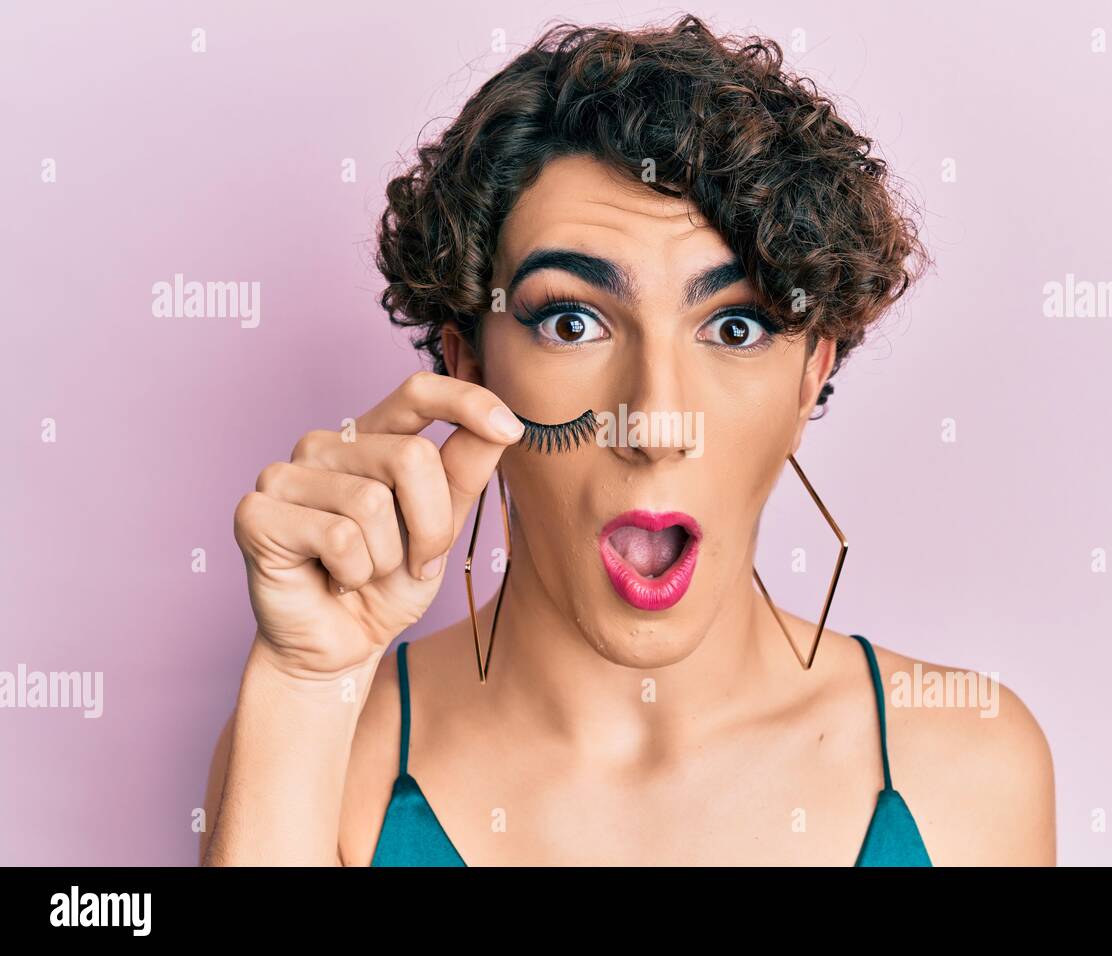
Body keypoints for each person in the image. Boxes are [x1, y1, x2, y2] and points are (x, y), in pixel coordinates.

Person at [200, 14, 1055, 866]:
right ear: (470, 370)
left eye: (735, 327)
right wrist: (304, 685)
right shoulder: (328, 750)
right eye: (572, 323)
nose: (653, 421)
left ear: (809, 376)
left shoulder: (967, 765)